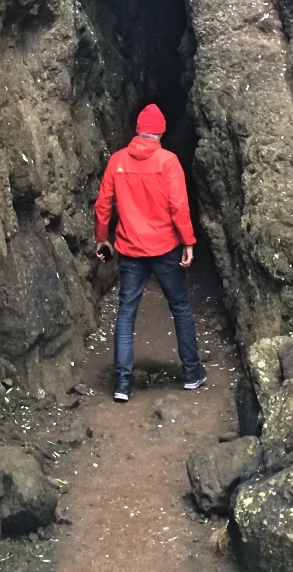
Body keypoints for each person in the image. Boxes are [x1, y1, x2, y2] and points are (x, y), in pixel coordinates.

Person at [94, 103, 207, 402]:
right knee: (180, 308)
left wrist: (102, 239)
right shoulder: (168, 162)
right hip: (165, 248)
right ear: (160, 132)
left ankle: (121, 384)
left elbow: (103, 204)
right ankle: (192, 374)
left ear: (138, 131)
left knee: (126, 313)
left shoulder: (118, 161)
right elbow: (178, 206)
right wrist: (188, 241)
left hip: (130, 249)